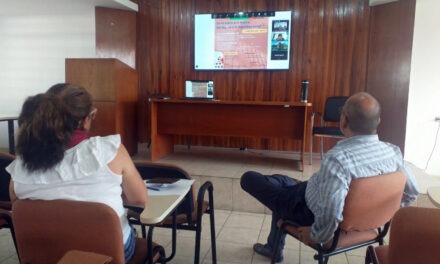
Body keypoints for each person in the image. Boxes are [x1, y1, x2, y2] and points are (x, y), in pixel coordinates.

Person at [240, 92, 419, 262]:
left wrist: (317, 235)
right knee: (282, 182)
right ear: (378, 121)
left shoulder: (338, 159)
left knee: (249, 178)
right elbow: (412, 193)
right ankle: (274, 245)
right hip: (315, 193)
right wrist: (376, 212)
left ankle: (274, 246)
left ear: (343, 121)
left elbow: (331, 212)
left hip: (304, 209)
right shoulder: (393, 152)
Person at [7, 83, 147, 263]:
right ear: (85, 119)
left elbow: (17, 202)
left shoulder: (22, 163)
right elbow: (139, 199)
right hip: (107, 253)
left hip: (45, 255)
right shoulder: (110, 150)